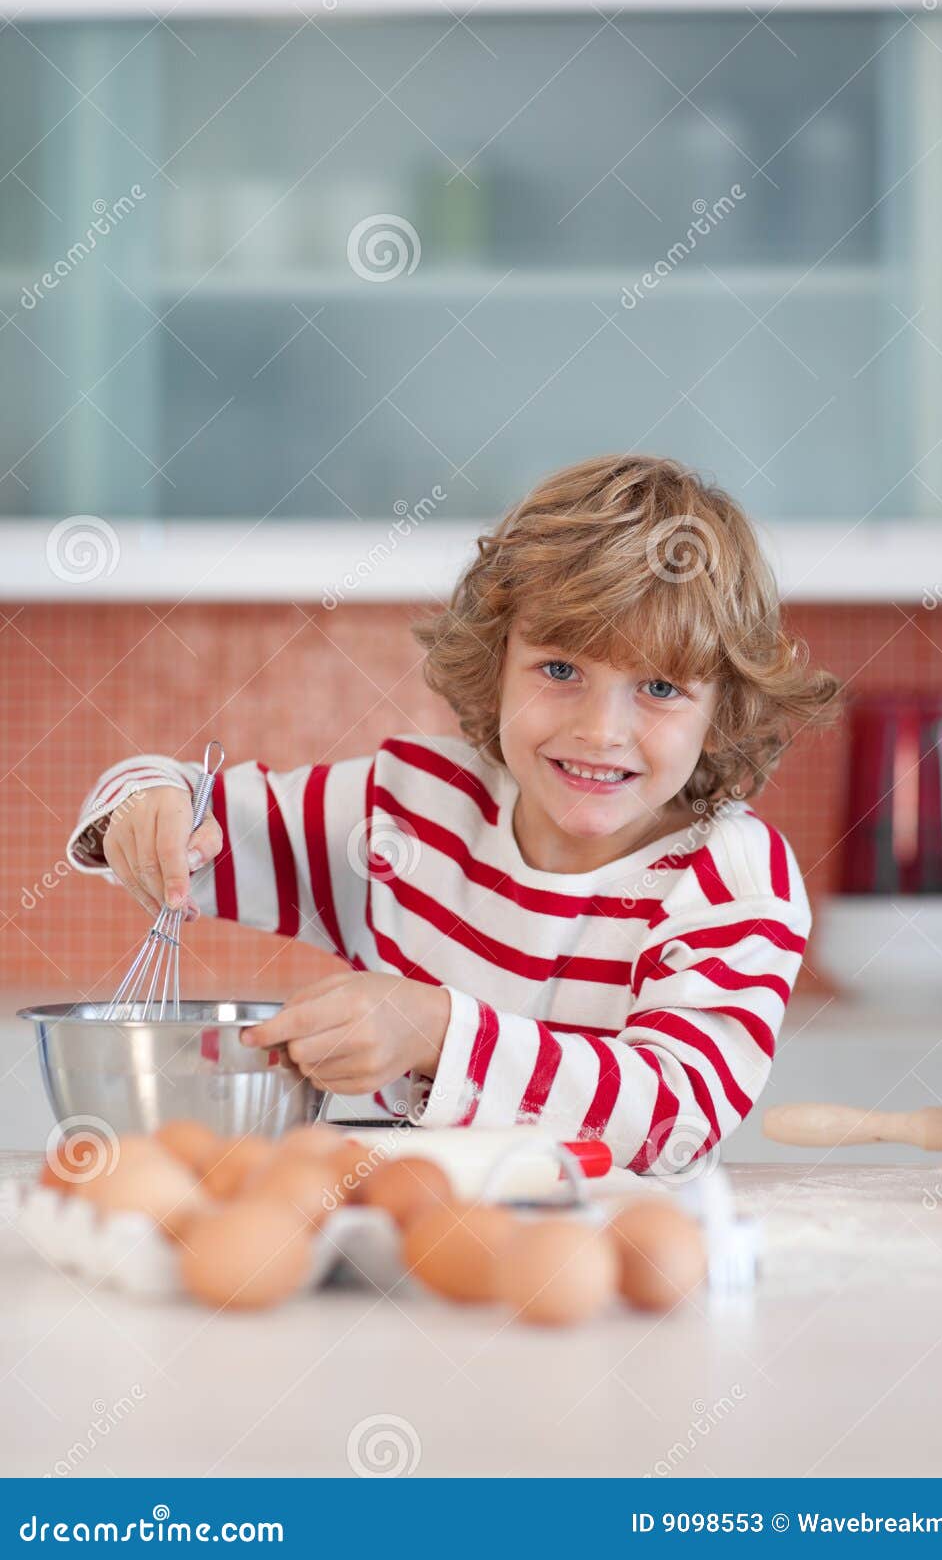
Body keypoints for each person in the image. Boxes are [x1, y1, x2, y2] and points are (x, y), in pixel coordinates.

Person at [66, 454, 842, 1173]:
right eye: (560, 669)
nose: (601, 730)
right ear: (494, 663)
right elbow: (194, 814)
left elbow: (675, 1115)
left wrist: (437, 1031)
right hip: (395, 1259)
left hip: (607, 1279)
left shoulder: (729, 878)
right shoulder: (412, 808)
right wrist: (147, 808)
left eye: (660, 688)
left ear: (723, 707)